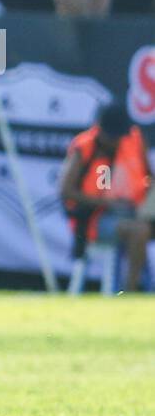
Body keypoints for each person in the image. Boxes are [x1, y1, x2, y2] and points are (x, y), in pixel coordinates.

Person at [60, 103, 151, 292]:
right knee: (139, 231)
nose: (116, 141)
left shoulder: (134, 140)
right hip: (95, 219)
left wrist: (148, 206)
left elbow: (150, 178)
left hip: (134, 212)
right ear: (100, 130)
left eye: (120, 136)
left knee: (142, 226)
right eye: (112, 136)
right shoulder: (85, 147)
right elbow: (65, 190)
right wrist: (105, 202)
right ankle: (130, 293)